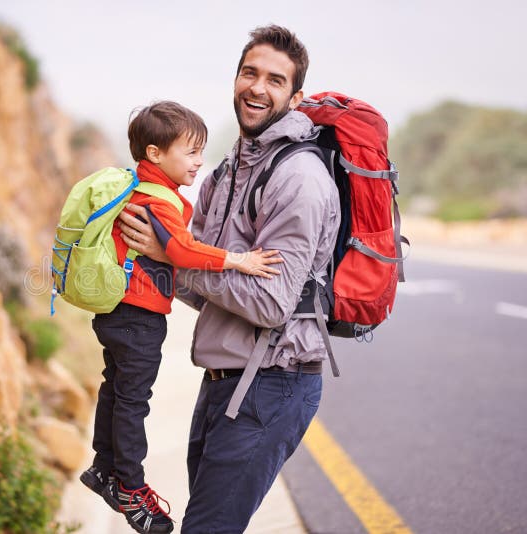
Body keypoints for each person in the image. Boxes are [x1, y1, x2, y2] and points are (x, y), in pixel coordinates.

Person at [118, 25, 341, 533]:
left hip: (272, 385)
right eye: (250, 73)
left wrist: (175, 259)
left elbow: (270, 304)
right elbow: (199, 283)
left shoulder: (298, 179)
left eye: (275, 80)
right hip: (224, 382)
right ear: (236, 78)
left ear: (295, 97)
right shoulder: (225, 170)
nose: (258, 87)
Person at [79, 100, 284, 534]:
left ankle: (103, 469)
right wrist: (238, 260)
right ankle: (130, 490)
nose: (199, 161)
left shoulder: (138, 187)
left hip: (116, 314)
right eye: (190, 152)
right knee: (133, 402)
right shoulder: (160, 201)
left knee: (115, 391)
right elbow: (182, 251)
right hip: (138, 318)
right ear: (155, 153)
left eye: (201, 151)